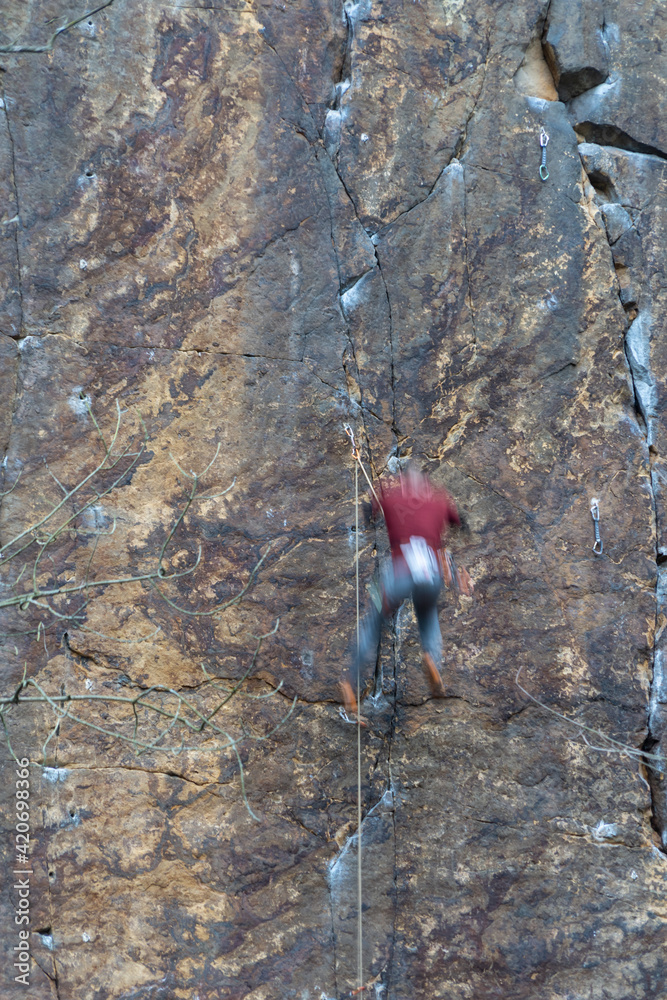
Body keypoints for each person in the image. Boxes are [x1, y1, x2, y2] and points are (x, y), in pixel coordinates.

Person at [339, 463, 472, 716]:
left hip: (400, 574)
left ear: (403, 480)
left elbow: (370, 510)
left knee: (374, 621)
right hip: (430, 575)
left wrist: (372, 515)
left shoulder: (391, 495)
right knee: (429, 616)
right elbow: (460, 522)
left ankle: (350, 681)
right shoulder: (439, 499)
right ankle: (432, 658)